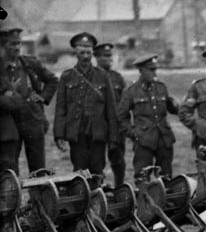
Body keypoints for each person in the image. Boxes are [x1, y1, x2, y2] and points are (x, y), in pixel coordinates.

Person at [53, 32, 119, 176]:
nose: (85, 56)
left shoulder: (102, 76)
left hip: (97, 132)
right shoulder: (66, 77)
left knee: (97, 169)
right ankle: (82, 197)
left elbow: (111, 109)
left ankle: (97, 196)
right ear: (75, 53)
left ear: (92, 53)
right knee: (79, 171)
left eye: (88, 52)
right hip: (77, 133)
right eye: (82, 52)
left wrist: (113, 136)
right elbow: (61, 108)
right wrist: (59, 135)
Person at [0, 28, 57, 175]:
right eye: (12, 44)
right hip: (10, 124)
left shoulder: (30, 64)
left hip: (33, 120)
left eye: (19, 43)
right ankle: (13, 196)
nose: (17, 47)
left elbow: (52, 80)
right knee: (10, 167)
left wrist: (43, 97)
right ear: (3, 45)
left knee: (38, 167)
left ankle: (37, 198)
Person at [116, 54, 178, 179]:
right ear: (141, 71)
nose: (154, 73)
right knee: (142, 177)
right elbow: (121, 117)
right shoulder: (131, 91)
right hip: (143, 140)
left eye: (155, 69)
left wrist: (175, 105)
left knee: (166, 177)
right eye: (150, 70)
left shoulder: (161, 87)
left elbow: (172, 109)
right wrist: (133, 133)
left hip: (164, 139)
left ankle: (164, 198)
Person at [95, 43, 127, 186]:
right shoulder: (93, 77)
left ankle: (119, 188)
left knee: (118, 160)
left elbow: (125, 102)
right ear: (97, 57)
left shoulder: (117, 77)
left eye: (110, 56)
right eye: (105, 56)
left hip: (117, 125)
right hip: (99, 124)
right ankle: (99, 189)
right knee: (97, 160)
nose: (109, 59)